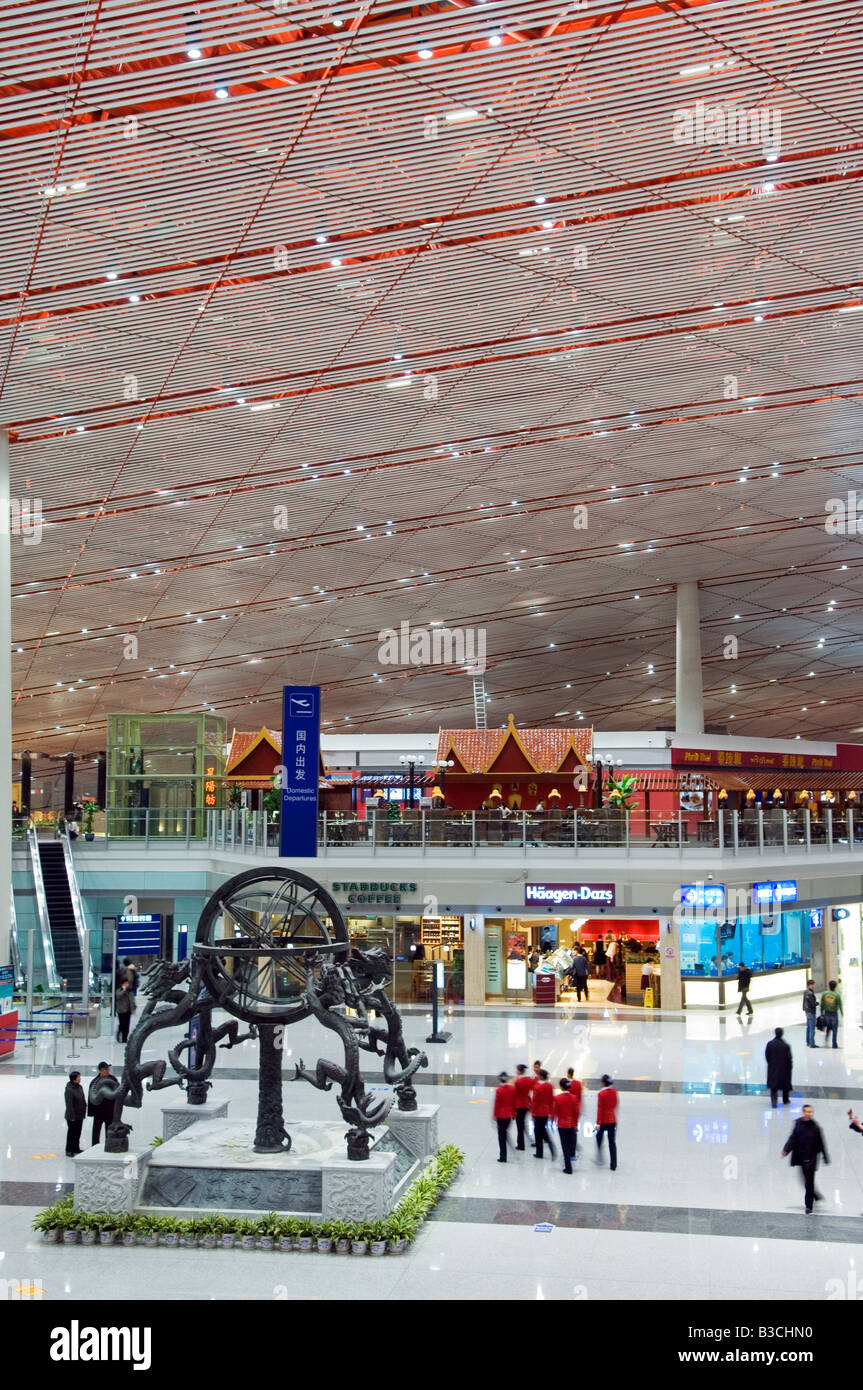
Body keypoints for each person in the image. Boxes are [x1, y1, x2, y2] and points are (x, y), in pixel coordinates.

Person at [781, 1103, 829, 1214]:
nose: (809, 1114)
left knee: (809, 1182)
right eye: (807, 1111)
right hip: (800, 1156)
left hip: (811, 1158)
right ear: (803, 1112)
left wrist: (825, 1157)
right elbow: (793, 1138)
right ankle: (815, 1195)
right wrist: (786, 1150)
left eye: (810, 1112)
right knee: (805, 1180)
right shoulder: (798, 1124)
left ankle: (809, 1206)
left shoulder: (816, 1127)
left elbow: (821, 1143)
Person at [87, 1061, 117, 1147]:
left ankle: (109, 1145)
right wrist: (90, 1112)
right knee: (96, 1131)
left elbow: (117, 1093)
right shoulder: (94, 1082)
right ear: (101, 1070)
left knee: (109, 1131)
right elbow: (91, 1098)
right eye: (106, 1069)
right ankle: (94, 1147)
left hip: (110, 1112)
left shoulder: (113, 1080)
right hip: (98, 1112)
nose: (108, 1070)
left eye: (108, 1069)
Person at [553, 1078, 580, 1174]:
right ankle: (571, 1159)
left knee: (564, 1146)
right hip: (572, 1123)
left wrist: (552, 1120)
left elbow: (555, 1112)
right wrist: (576, 1124)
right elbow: (576, 1112)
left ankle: (568, 1167)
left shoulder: (557, 1098)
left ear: (560, 1087)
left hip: (562, 1125)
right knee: (570, 1143)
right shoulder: (574, 1098)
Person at [595, 1073, 618, 1170]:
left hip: (603, 1120)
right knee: (612, 1142)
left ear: (604, 1083)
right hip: (612, 1119)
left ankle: (600, 1156)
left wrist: (598, 1122)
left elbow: (600, 1109)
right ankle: (613, 1164)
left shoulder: (601, 1094)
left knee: (599, 1137)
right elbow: (615, 1104)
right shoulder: (615, 1092)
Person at [530, 1068, 555, 1159]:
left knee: (538, 1132)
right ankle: (547, 1146)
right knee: (542, 1130)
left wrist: (533, 1113)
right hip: (546, 1112)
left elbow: (535, 1101)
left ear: (540, 1076)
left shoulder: (537, 1087)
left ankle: (540, 1152)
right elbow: (552, 1100)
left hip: (538, 1112)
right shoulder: (550, 1086)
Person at [765, 1026, 792, 1107]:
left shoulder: (770, 1044)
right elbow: (789, 1058)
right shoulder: (786, 1045)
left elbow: (767, 1055)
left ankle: (774, 1102)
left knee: (773, 1085)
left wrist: (770, 1063)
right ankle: (785, 1099)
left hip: (773, 1067)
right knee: (785, 1084)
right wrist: (790, 1067)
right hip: (784, 1068)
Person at [493, 1072, 516, 1162]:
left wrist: (495, 1116)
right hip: (509, 1115)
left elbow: (497, 1104)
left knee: (501, 1136)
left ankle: (503, 1156)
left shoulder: (499, 1090)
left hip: (501, 1115)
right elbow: (514, 1102)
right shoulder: (512, 1089)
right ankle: (509, 1148)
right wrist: (514, 1114)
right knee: (505, 1133)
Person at [64, 1070, 86, 1157]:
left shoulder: (79, 1087)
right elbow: (69, 1105)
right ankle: (69, 1149)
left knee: (78, 1132)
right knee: (71, 1133)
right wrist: (72, 1117)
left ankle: (76, 1147)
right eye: (78, 1077)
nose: (80, 1079)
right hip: (72, 1116)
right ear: (74, 1079)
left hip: (80, 1115)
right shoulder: (69, 1090)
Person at [513, 1064, 533, 1151]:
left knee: (519, 1125)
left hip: (519, 1105)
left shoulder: (518, 1082)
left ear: (519, 1071)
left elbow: (515, 1094)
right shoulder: (529, 1080)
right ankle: (527, 1140)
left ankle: (521, 1144)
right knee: (523, 1123)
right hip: (526, 1104)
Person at [565, 1067, 583, 1155]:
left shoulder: (566, 1083)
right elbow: (579, 1097)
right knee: (573, 1127)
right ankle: (573, 1147)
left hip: (567, 1108)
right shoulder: (578, 1084)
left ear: (568, 1074)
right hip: (576, 1108)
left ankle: (569, 1146)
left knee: (567, 1128)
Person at [820, 980, 843, 1049]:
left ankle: (826, 1040)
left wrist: (821, 1012)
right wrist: (842, 1014)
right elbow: (840, 1005)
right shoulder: (837, 995)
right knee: (834, 1029)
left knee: (828, 1028)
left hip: (826, 1013)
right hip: (834, 1014)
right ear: (835, 986)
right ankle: (834, 1044)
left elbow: (822, 1004)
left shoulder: (825, 994)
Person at [115, 979, 136, 1043]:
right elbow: (118, 996)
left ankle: (125, 1038)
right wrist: (123, 990)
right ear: (122, 984)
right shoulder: (119, 990)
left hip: (128, 1010)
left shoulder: (129, 991)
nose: (127, 985)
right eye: (125, 983)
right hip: (121, 1010)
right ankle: (119, 1032)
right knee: (122, 1024)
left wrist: (133, 1008)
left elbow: (132, 1000)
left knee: (127, 1025)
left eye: (127, 983)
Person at [803, 980, 818, 1048]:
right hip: (811, 1012)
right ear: (809, 985)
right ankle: (812, 1043)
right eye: (812, 985)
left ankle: (808, 1042)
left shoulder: (806, 992)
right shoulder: (810, 993)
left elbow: (804, 1002)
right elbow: (813, 1004)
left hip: (807, 1011)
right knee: (812, 1028)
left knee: (808, 1027)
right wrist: (817, 1003)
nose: (813, 986)